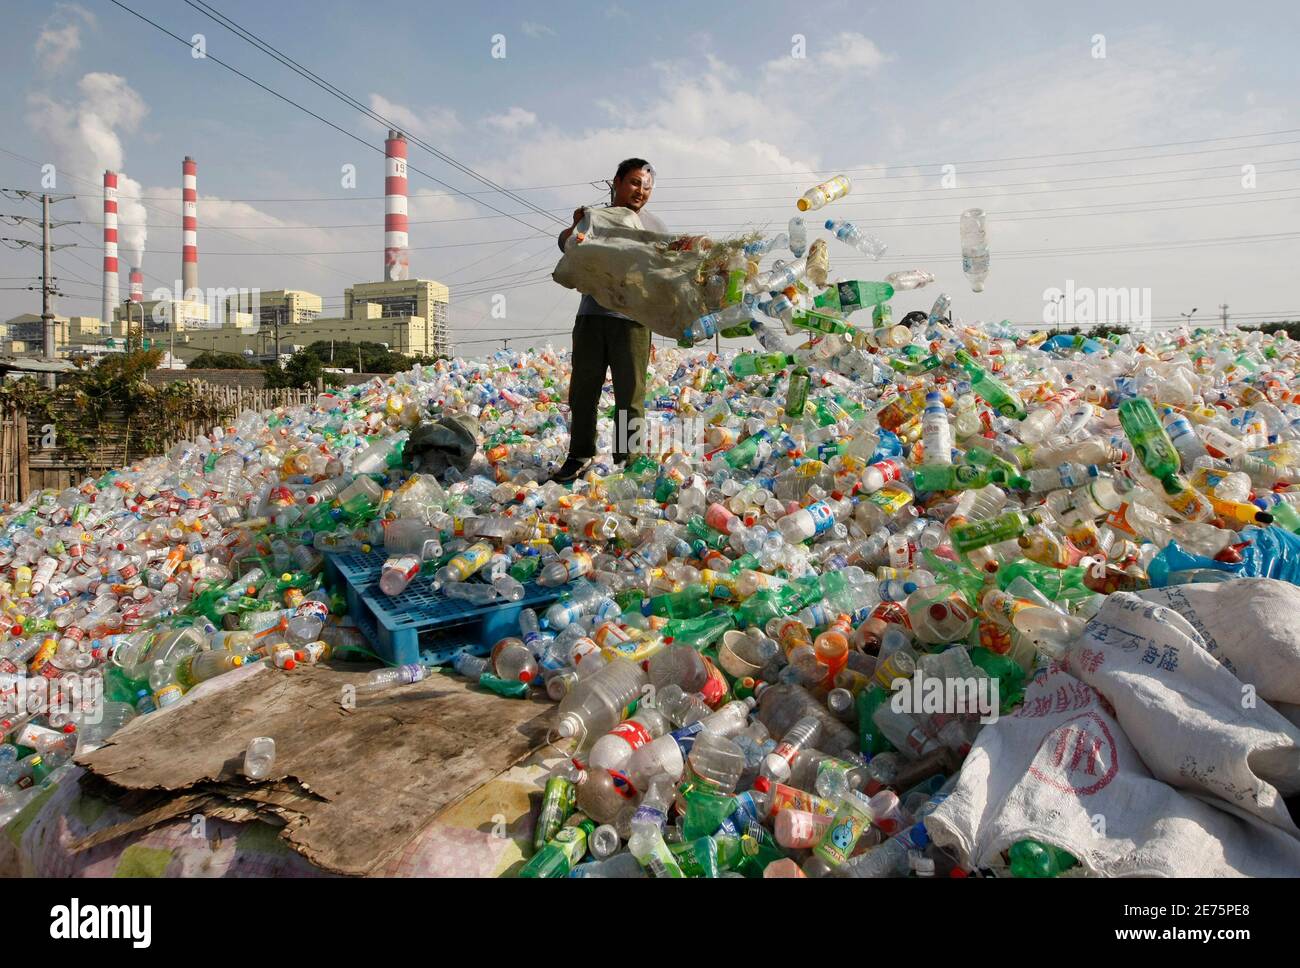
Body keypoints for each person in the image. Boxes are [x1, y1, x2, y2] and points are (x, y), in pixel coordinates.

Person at [549, 158, 668, 484]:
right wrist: (575, 226)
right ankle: (579, 456)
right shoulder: (596, 217)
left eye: (646, 186)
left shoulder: (654, 227)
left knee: (630, 395)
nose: (640, 191)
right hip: (592, 317)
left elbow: (664, 272)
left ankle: (626, 461)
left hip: (633, 322)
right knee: (583, 392)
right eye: (633, 182)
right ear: (616, 182)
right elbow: (565, 245)